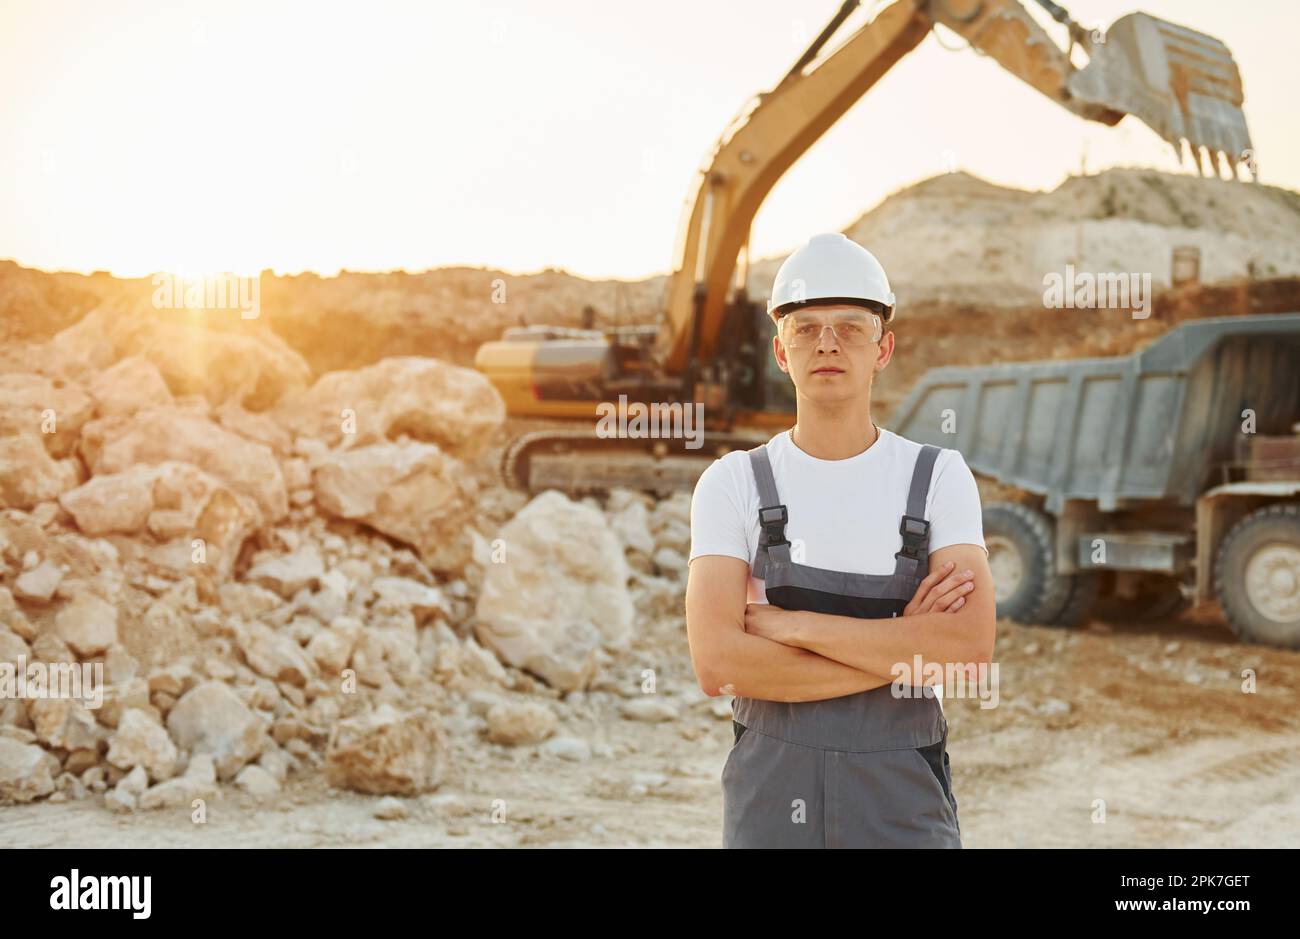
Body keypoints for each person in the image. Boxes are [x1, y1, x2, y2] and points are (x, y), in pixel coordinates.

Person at [685, 232, 996, 848]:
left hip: (900, 802)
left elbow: (965, 654)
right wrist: (903, 648)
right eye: (806, 328)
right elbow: (718, 665)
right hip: (772, 801)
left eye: (850, 327)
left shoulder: (937, 477)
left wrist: (791, 626)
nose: (827, 343)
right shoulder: (733, 482)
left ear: (883, 348)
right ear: (780, 350)